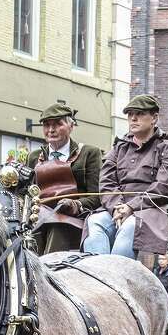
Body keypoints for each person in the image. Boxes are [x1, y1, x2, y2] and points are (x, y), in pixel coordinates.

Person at [83, 94, 168, 263]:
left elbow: (166, 187)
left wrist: (132, 207)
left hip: (155, 211)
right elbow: (106, 183)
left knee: (131, 226)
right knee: (95, 222)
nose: (133, 118)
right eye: (130, 114)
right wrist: (117, 208)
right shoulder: (118, 149)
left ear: (154, 118)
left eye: (139, 113)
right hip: (119, 209)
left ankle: (116, 281)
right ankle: (99, 278)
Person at [24, 102, 103, 253]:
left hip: (73, 219)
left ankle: (50, 273)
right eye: (46, 125)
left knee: (56, 227)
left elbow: (96, 196)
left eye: (57, 124)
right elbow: (27, 193)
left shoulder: (89, 153)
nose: (51, 130)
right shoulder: (34, 157)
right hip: (39, 217)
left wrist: (75, 205)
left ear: (71, 126)